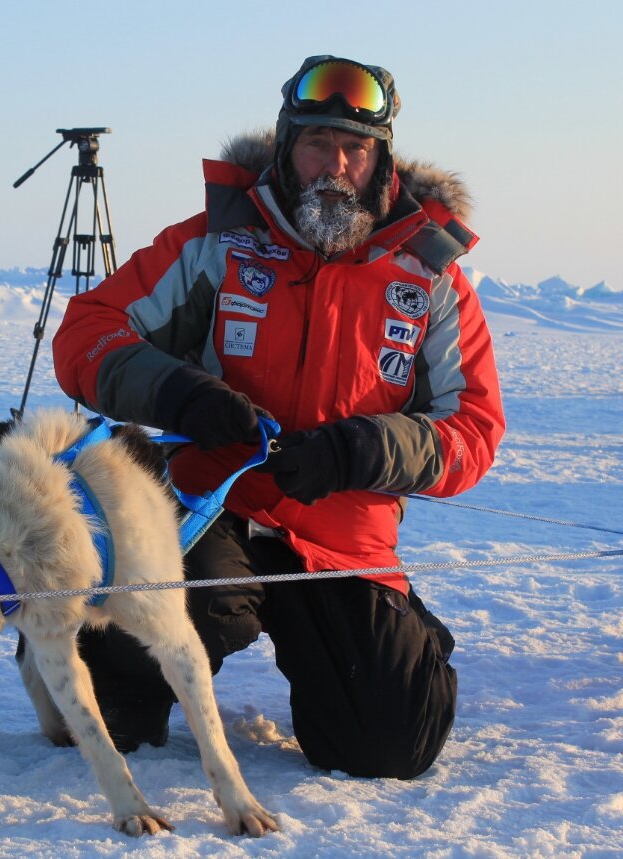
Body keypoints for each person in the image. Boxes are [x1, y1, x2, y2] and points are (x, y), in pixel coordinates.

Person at [52, 55, 505, 779]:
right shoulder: (216, 242)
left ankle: (404, 643)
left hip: (339, 530)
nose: (337, 165)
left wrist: (363, 450)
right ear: (288, 147)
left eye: (356, 148)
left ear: (381, 159)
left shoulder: (430, 279)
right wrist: (180, 394)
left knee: (388, 746)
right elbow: (86, 331)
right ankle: (104, 652)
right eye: (318, 143)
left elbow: (475, 429)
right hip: (209, 506)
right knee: (112, 711)